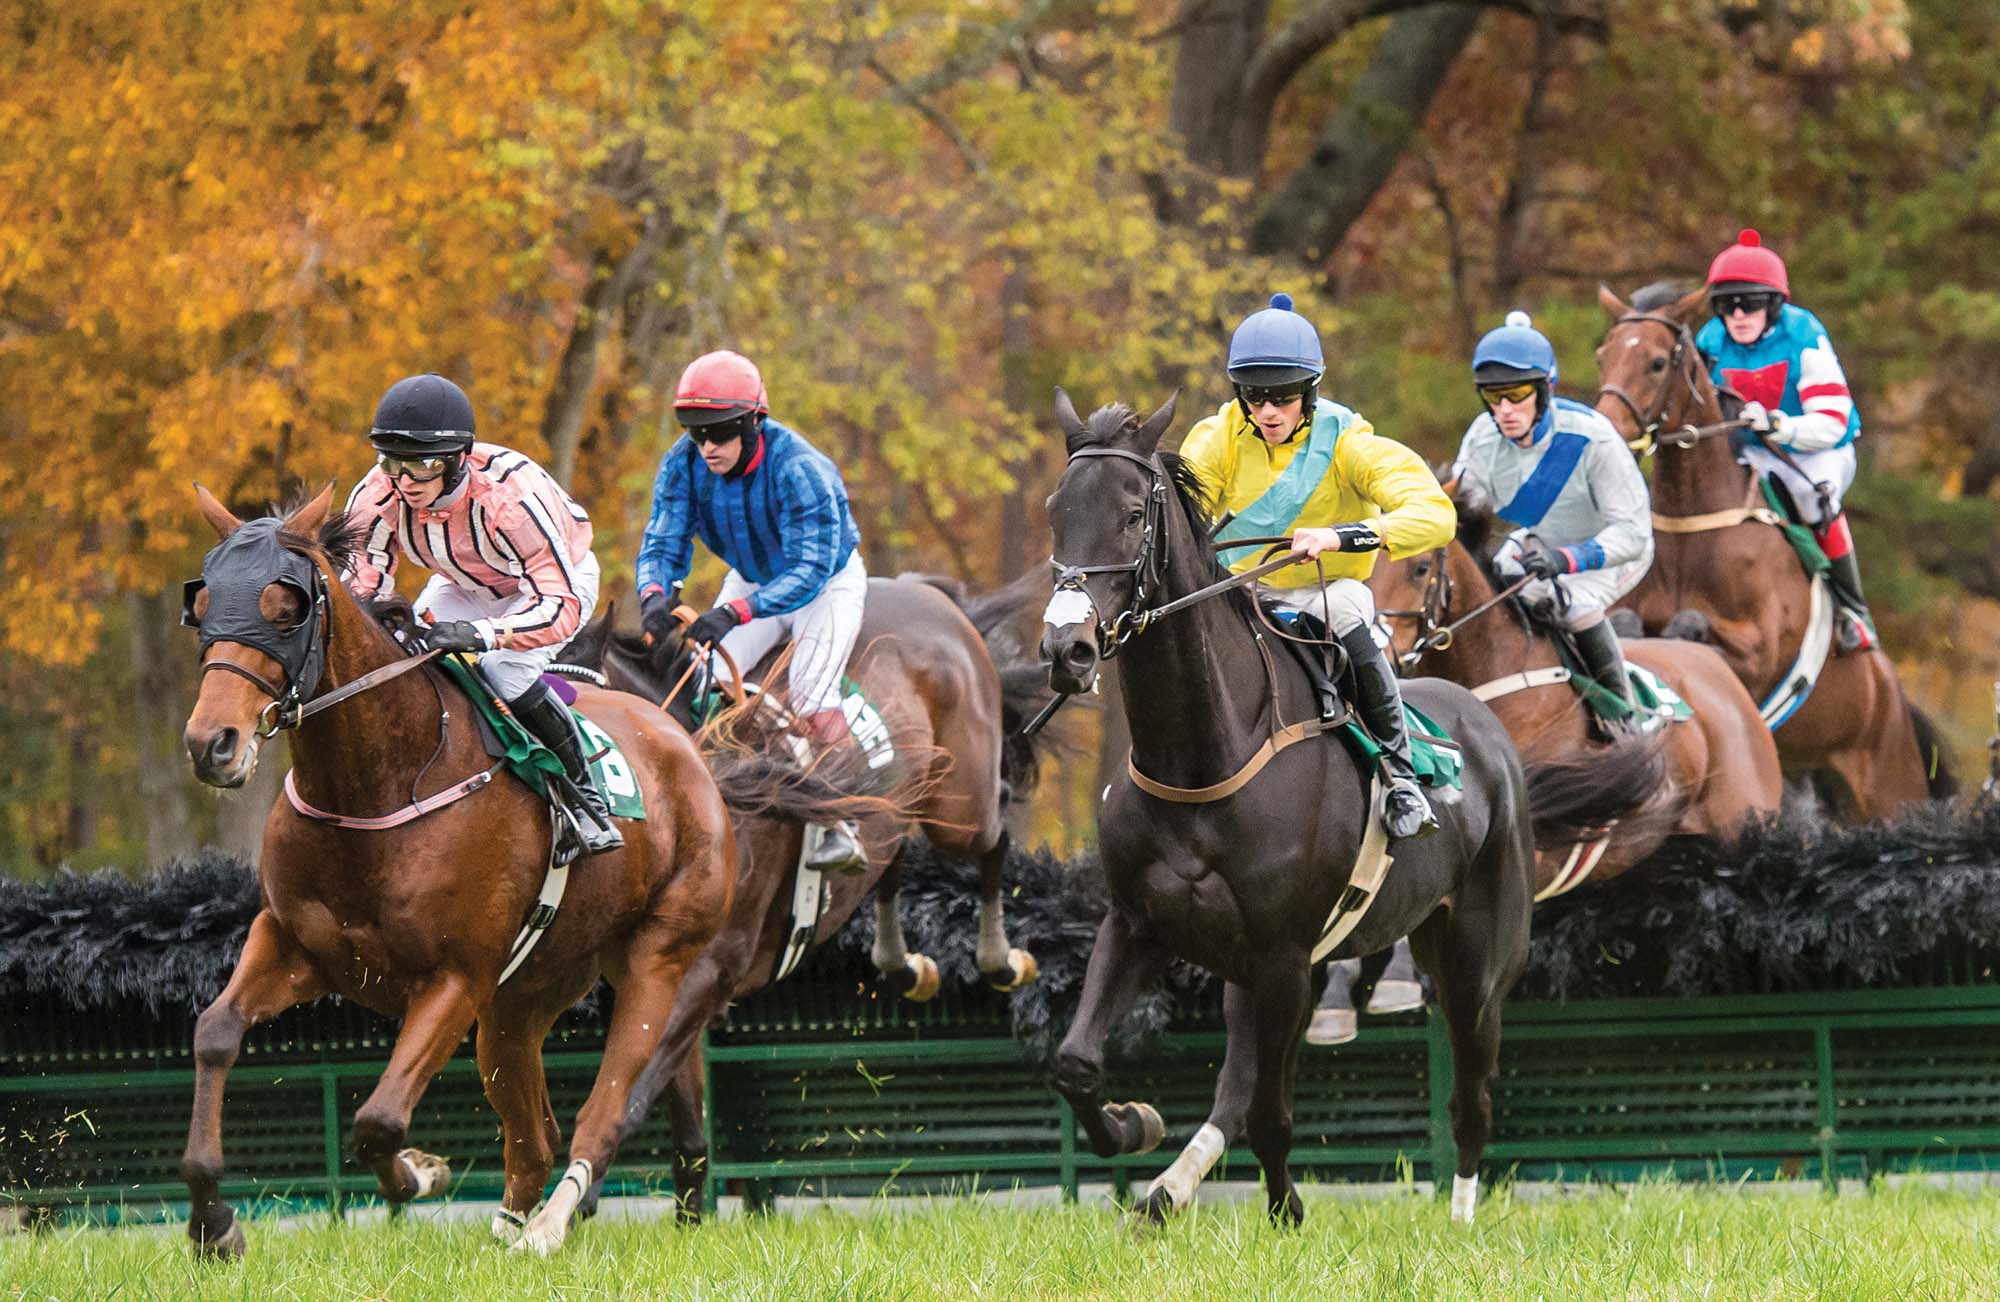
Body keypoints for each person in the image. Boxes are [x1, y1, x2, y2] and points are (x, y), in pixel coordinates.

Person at [1180, 293, 1456, 840]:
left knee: (1349, 608)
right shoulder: (1216, 438)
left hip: (1322, 595)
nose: (1267, 412)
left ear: (1309, 391)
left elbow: (1436, 516)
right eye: (1254, 397)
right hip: (1240, 596)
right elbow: (1187, 517)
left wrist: (1342, 536)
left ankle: (1400, 775)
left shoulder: (1349, 441)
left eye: (1282, 397)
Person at [343, 373, 622, 856]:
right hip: (464, 583)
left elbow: (558, 607)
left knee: (503, 671)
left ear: (455, 461)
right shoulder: (377, 494)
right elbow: (360, 584)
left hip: (557, 585)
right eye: (392, 462)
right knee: (407, 656)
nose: (405, 482)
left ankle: (584, 800)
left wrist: (484, 635)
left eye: (422, 465)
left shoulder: (508, 502)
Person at [634, 349, 868, 872]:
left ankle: (844, 822)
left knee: (810, 689)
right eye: (696, 433)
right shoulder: (684, 462)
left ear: (752, 423)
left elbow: (808, 571)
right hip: (754, 577)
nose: (707, 447)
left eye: (718, 433)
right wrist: (653, 596)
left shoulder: (801, 468)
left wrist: (736, 612)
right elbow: (663, 540)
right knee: (699, 676)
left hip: (827, 582)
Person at [1454, 311, 1654, 713]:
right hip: (1539, 544)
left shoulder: (1593, 436)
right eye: (1493, 396)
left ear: (1546, 389)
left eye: (1518, 394)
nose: (1505, 409)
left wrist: (1566, 559)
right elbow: (1460, 514)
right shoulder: (1481, 437)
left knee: (1574, 604)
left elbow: (1632, 534)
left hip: (1611, 551)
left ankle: (1625, 715)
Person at [1697, 228, 1876, 652]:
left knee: (1814, 496)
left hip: (1815, 451)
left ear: (1774, 305)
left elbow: (1832, 421)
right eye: (1727, 305)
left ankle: (1854, 610)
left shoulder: (1803, 334)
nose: (1738, 315)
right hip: (1750, 452)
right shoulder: (1709, 340)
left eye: (1751, 303)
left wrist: (1780, 427)